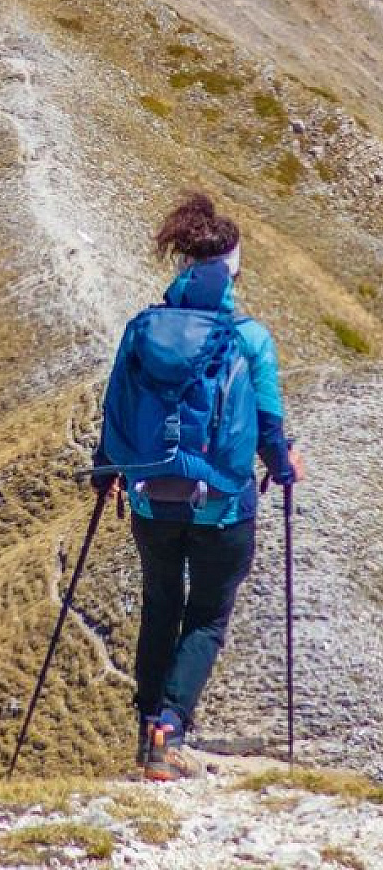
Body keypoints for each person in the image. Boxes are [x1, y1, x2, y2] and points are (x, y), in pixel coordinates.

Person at [92, 192, 302, 781]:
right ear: (232, 272)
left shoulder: (142, 329)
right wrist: (285, 468)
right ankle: (170, 727)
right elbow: (268, 426)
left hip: (151, 499)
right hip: (224, 507)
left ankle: (147, 737)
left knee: (160, 606)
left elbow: (115, 411)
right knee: (207, 618)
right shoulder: (250, 337)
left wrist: (107, 473)